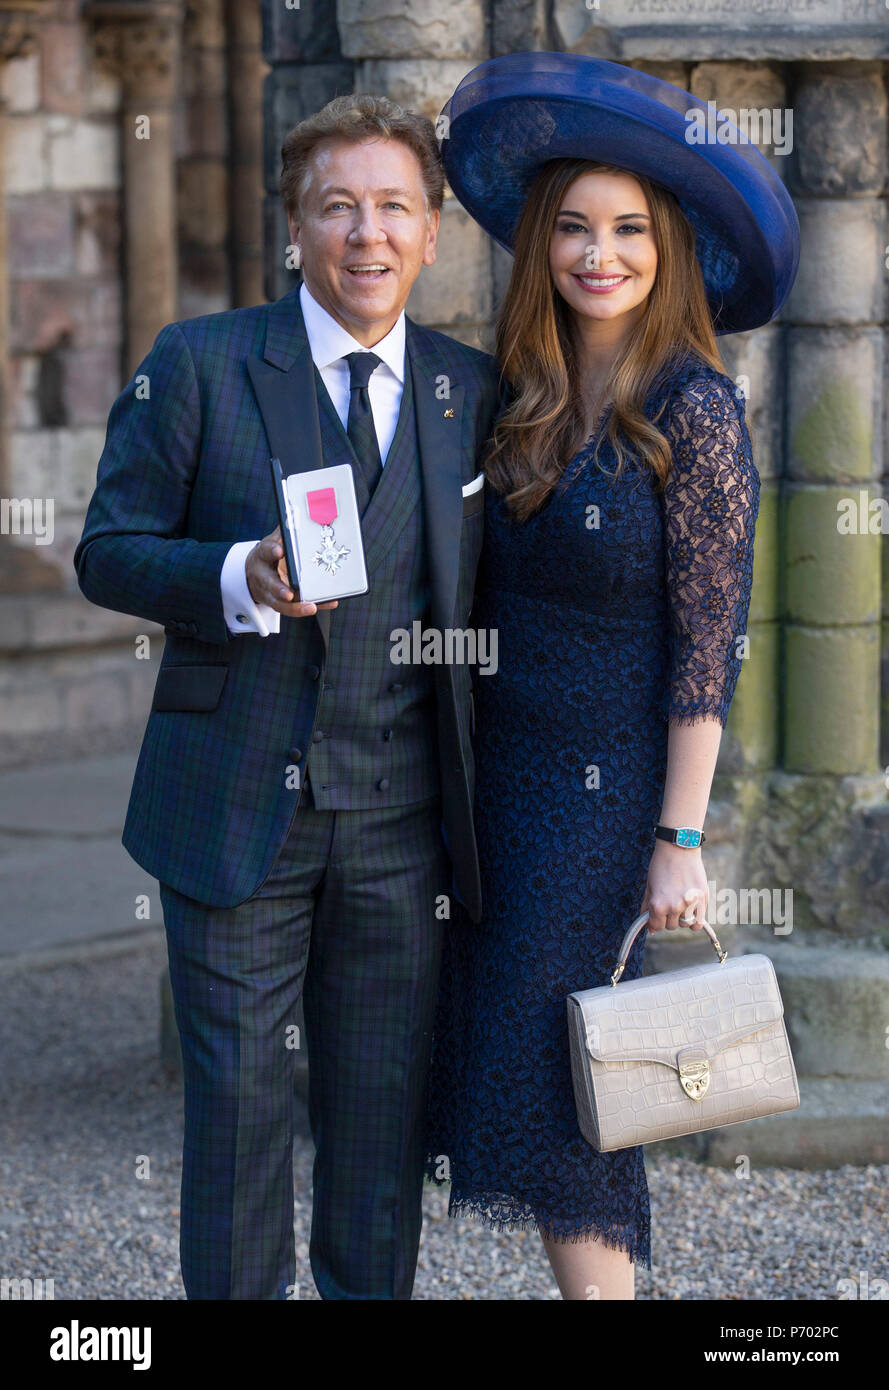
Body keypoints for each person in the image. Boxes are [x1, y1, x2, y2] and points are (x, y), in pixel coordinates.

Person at [73, 93, 501, 1301]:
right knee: (241, 1117)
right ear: (294, 228)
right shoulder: (199, 365)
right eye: (337, 207)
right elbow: (107, 550)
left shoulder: (469, 392)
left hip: (399, 822)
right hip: (230, 812)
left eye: (393, 208)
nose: (366, 234)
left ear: (432, 232)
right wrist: (232, 575)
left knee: (377, 1125)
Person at [424, 52, 800, 1301]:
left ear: (670, 247)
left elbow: (712, 644)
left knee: (570, 1073)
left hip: (605, 799)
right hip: (502, 784)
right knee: (548, 1071)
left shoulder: (693, 409)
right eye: (575, 228)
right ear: (541, 245)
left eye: (630, 230)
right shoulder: (522, 398)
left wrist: (678, 836)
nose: (600, 253)